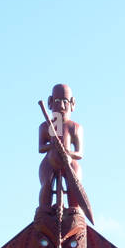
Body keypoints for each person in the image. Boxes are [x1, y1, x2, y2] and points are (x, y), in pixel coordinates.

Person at [38, 84, 83, 213]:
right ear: (50, 102)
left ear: (72, 103)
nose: (62, 106)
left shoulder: (74, 127)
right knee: (46, 183)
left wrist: (68, 153)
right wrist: (53, 145)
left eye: (65, 101)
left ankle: (74, 209)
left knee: (74, 185)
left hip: (69, 162)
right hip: (50, 161)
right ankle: (44, 209)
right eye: (58, 101)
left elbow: (79, 153)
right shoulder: (47, 126)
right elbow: (41, 148)